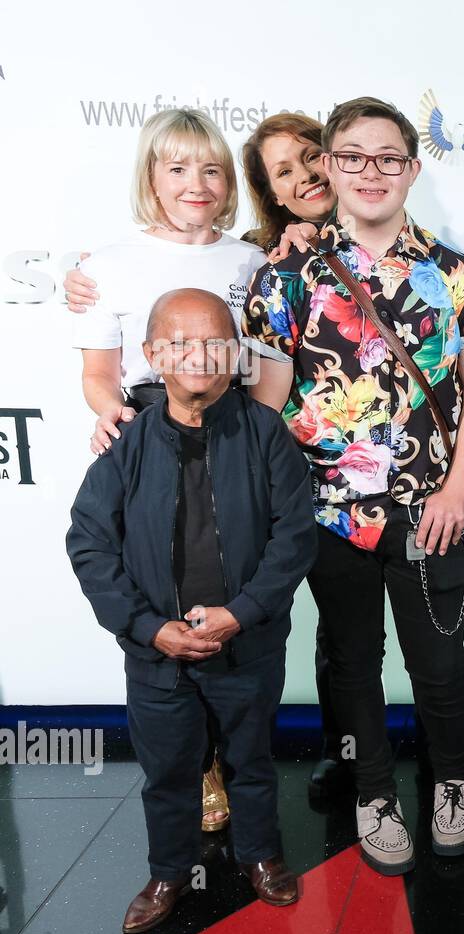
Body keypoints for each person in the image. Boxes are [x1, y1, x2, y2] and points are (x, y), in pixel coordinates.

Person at [242, 97, 464, 869]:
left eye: (389, 157)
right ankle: (374, 792)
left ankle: (454, 780)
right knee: (351, 662)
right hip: (328, 515)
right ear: (329, 166)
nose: (371, 172)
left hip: (432, 512)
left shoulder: (461, 276)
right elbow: (267, 405)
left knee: (440, 662)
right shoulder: (284, 276)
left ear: (413, 169)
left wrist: (457, 491)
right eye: (351, 156)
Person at [67, 288, 316, 934]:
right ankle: (169, 872)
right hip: (158, 657)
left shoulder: (265, 432)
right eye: (179, 343)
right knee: (168, 773)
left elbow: (295, 536)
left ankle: (261, 857)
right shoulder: (130, 441)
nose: (198, 356)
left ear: (235, 352)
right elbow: (89, 544)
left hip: (247, 646)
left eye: (213, 342)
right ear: (152, 354)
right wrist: (151, 629)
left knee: (253, 763)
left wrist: (242, 611)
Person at [67, 107, 267, 836]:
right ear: (151, 175)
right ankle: (191, 772)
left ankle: (232, 765)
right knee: (160, 595)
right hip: (152, 438)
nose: (196, 183)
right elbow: (98, 375)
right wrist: (117, 419)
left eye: (212, 168)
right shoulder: (103, 267)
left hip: (234, 435)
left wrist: (257, 440)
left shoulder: (250, 261)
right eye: (178, 167)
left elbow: (266, 364)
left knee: (230, 595)